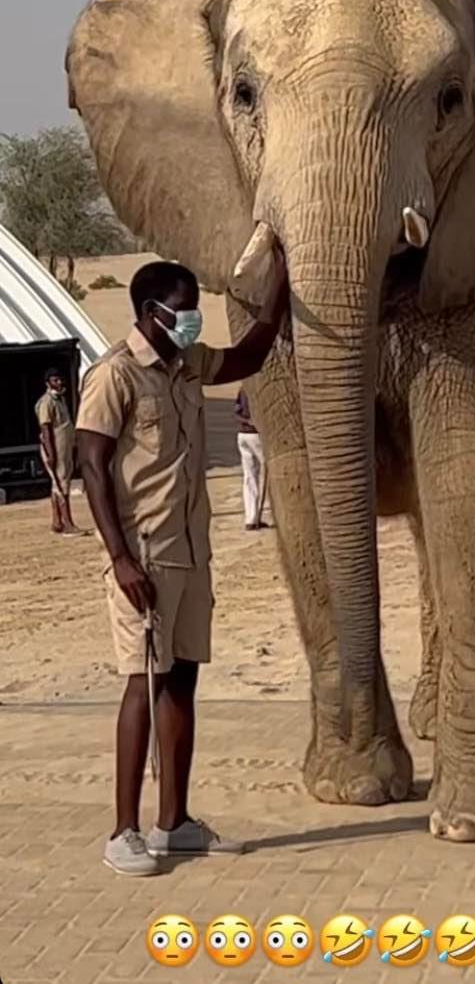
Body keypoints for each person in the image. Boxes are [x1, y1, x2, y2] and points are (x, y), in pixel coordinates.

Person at [76, 253, 287, 876]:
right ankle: (123, 831)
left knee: (183, 677)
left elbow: (245, 358)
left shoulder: (186, 364)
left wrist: (278, 294)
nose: (192, 320)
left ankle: (176, 823)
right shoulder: (115, 377)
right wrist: (119, 557)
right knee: (143, 680)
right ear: (151, 312)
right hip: (142, 555)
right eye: (184, 309)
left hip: (192, 550)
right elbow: (91, 466)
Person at [35, 368, 80, 534]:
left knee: (58, 484)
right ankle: (67, 522)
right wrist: (51, 452)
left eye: (59, 379)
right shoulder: (46, 402)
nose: (59, 383)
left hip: (65, 447)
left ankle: (57, 522)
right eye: (55, 380)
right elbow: (46, 428)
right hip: (56, 449)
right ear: (48, 383)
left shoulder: (60, 400)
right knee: (62, 485)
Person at [235, 387, 267, 530]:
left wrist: (246, 421)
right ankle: (259, 514)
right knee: (267, 472)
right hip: (256, 435)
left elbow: (236, 413)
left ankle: (251, 518)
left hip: (242, 435)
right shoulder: (260, 389)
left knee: (249, 476)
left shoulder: (244, 389)